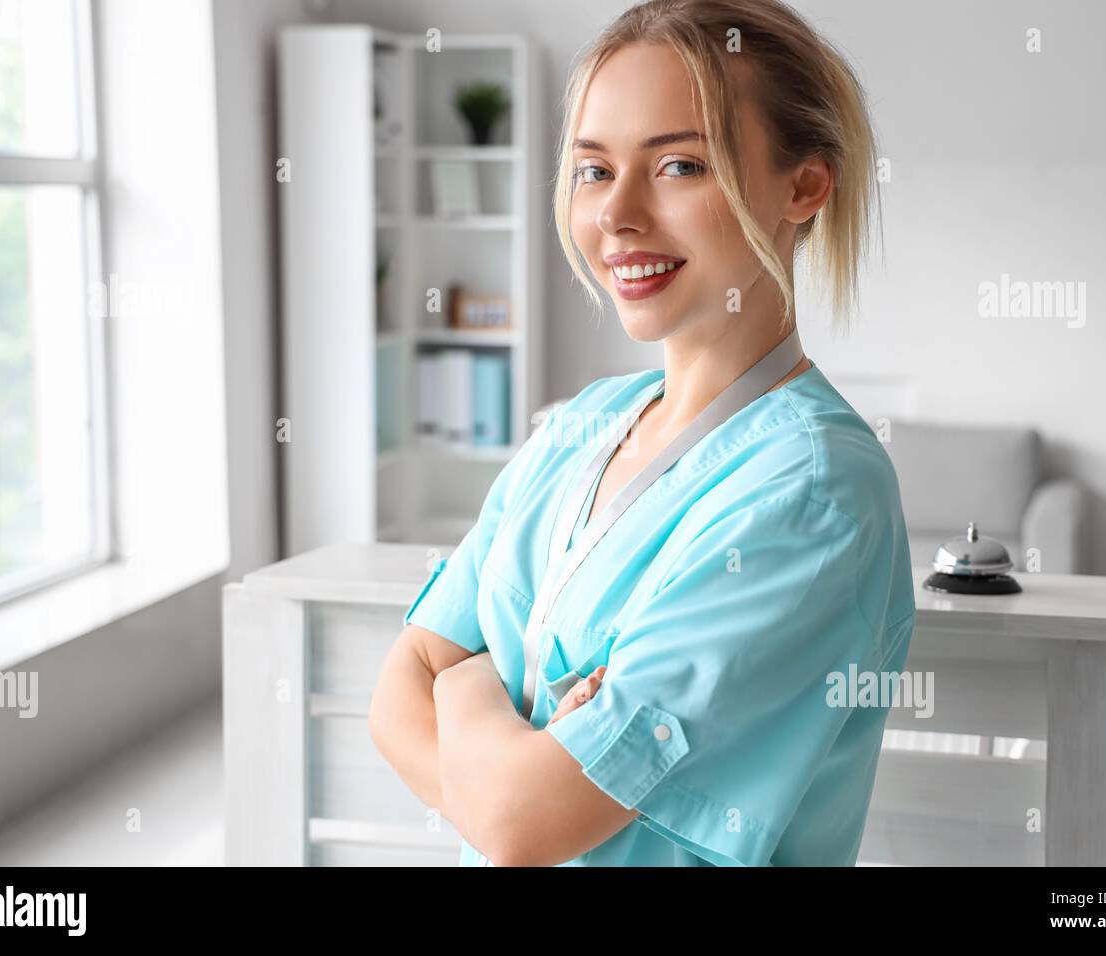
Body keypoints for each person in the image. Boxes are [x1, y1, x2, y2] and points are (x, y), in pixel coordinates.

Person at [369, 0, 916, 867]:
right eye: (592, 170)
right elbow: (393, 696)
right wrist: (501, 742)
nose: (616, 216)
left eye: (680, 165)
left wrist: (464, 684)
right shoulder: (583, 424)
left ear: (805, 185)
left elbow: (521, 825)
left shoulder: (813, 492)